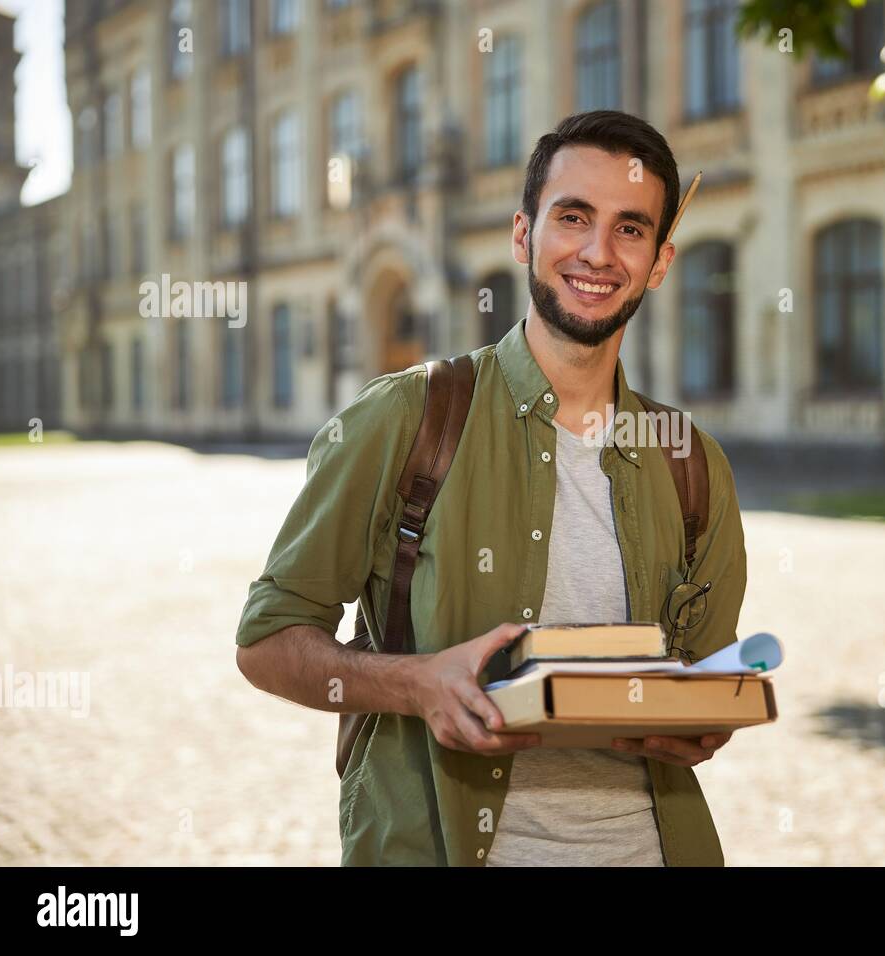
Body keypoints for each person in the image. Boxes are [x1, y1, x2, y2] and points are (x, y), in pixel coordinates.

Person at [234, 110, 748, 866]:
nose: (598, 253)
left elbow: (713, 679)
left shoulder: (692, 462)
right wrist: (416, 685)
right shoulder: (406, 417)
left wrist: (708, 717)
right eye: (573, 217)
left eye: (631, 229)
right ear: (522, 235)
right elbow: (267, 641)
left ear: (661, 261)